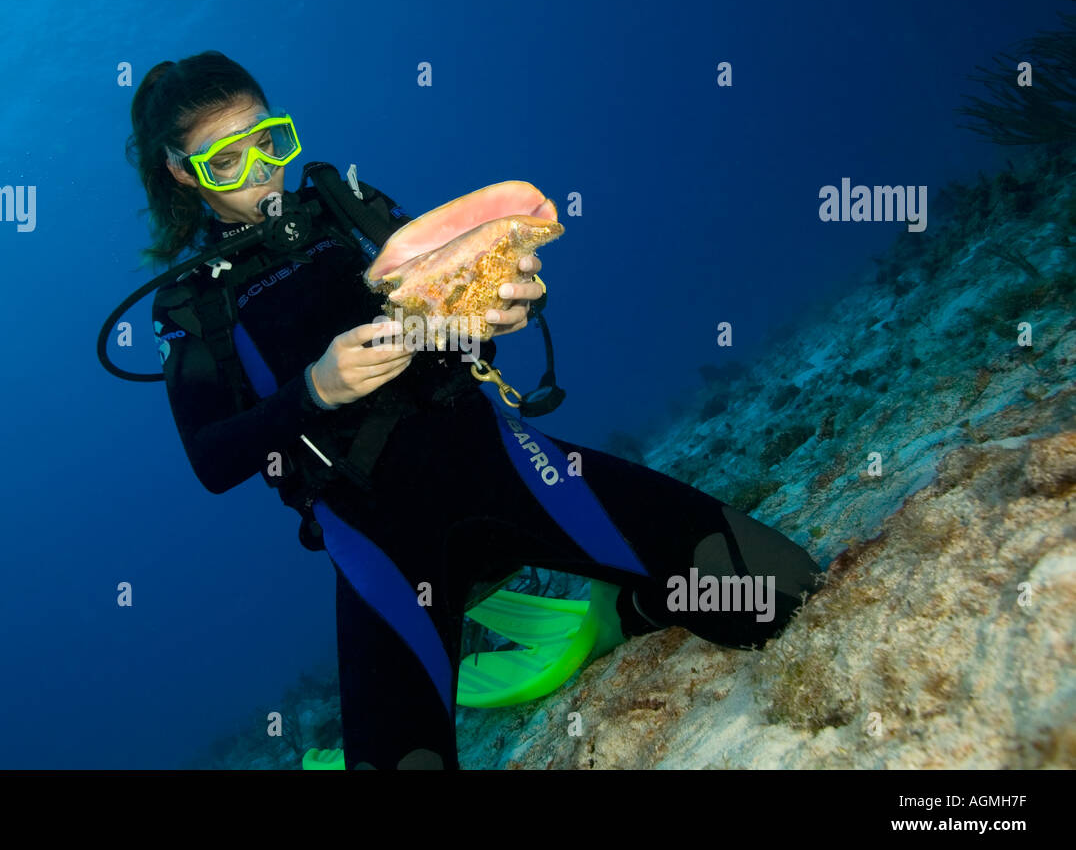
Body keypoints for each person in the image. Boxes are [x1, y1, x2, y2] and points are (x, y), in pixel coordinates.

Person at [128, 51, 824, 770]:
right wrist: (316, 390)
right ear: (183, 172)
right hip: (379, 540)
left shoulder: (349, 208)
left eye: (270, 140)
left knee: (785, 592)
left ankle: (628, 609)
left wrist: (506, 307)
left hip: (507, 468)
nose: (262, 171)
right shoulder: (193, 304)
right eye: (225, 162)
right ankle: (608, 603)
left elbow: (465, 295)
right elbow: (212, 460)